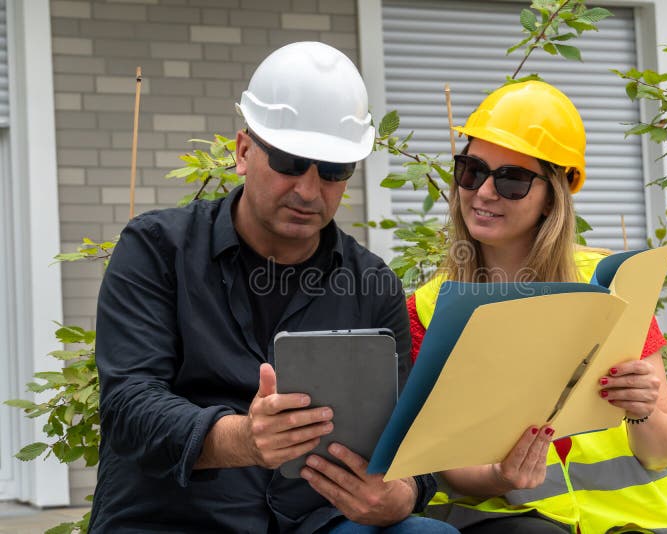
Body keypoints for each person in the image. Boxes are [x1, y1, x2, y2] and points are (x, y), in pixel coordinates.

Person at [89, 41, 457, 534]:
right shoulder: (157, 250)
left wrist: (402, 494)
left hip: (314, 521)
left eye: (333, 171)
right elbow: (128, 405)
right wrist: (242, 438)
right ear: (243, 151)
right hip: (173, 518)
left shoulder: (371, 284)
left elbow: (409, 435)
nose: (309, 190)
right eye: (288, 161)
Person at [407, 81, 667, 533]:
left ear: (552, 195)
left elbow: (660, 452)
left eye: (512, 180)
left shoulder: (610, 283)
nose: (483, 192)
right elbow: (443, 464)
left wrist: (641, 409)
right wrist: (498, 477)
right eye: (471, 170)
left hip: (638, 522)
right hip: (508, 522)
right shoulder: (427, 309)